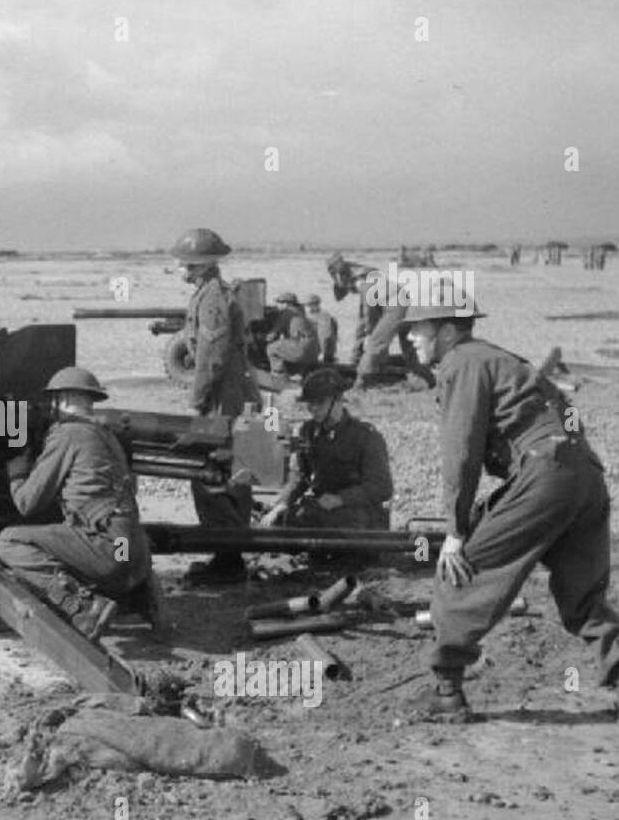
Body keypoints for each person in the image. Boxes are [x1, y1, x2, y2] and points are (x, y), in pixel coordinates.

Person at [401, 300, 619, 722]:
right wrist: (569, 460)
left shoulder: (460, 362)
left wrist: (455, 531)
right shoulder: (499, 358)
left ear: (445, 332)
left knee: (462, 570)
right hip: (582, 471)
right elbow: (568, 413)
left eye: (418, 329)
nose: (410, 338)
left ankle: (446, 691)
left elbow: (460, 453)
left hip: (547, 472)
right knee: (582, 595)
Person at [0, 366, 152, 639]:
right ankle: (142, 598)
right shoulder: (106, 433)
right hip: (132, 552)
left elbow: (25, 504)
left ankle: (84, 606)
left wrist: (17, 471)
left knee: (9, 542)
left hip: (108, 555)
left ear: (62, 399)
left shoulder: (68, 435)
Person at [173, 227, 258, 583]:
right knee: (224, 472)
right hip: (226, 397)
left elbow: (212, 358)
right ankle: (229, 554)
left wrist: (197, 401)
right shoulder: (209, 294)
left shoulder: (212, 300)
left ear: (198, 264)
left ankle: (228, 560)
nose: (179, 268)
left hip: (222, 401)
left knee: (213, 472)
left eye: (183, 263)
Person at [258, 368, 392, 530]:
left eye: (320, 402)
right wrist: (283, 502)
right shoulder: (308, 431)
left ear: (338, 400)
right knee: (281, 519)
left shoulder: (365, 436)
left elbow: (381, 487)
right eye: (310, 404)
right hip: (322, 509)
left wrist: (341, 499)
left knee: (348, 524)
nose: (313, 408)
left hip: (357, 512)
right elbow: (301, 476)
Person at [326, 253, 434, 389]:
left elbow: (368, 316)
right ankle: (429, 379)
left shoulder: (364, 284)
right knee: (409, 348)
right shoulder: (373, 279)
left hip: (396, 308)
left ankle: (360, 383)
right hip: (408, 307)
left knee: (374, 345)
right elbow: (363, 320)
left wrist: (369, 337)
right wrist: (357, 349)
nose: (352, 292)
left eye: (350, 290)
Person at [265, 293, 321, 375]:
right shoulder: (300, 311)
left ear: (287, 303)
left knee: (271, 348)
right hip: (314, 350)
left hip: (301, 349)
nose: (277, 305)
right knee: (285, 346)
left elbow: (272, 336)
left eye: (280, 302)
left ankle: (278, 374)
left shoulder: (287, 313)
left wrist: (262, 337)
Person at [303, 293, 338, 365]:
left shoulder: (323, 317)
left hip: (323, 353)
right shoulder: (308, 316)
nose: (308, 308)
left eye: (310, 305)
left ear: (317, 305)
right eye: (306, 305)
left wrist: (323, 353)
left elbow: (325, 337)